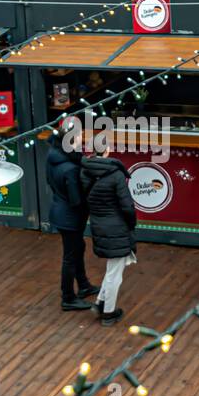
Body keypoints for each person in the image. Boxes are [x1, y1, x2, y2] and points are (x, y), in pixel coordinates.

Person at [81, 134, 137, 326]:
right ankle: (109, 313)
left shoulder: (84, 171)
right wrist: (131, 223)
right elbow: (127, 205)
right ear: (107, 150)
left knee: (113, 268)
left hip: (98, 223)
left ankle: (100, 303)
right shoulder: (116, 174)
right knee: (116, 274)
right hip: (117, 226)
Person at [47, 122, 98, 311]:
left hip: (60, 211)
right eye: (78, 137)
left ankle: (83, 284)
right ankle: (68, 297)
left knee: (78, 248)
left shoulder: (53, 156)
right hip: (69, 217)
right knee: (70, 256)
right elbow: (77, 200)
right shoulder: (70, 168)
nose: (81, 139)